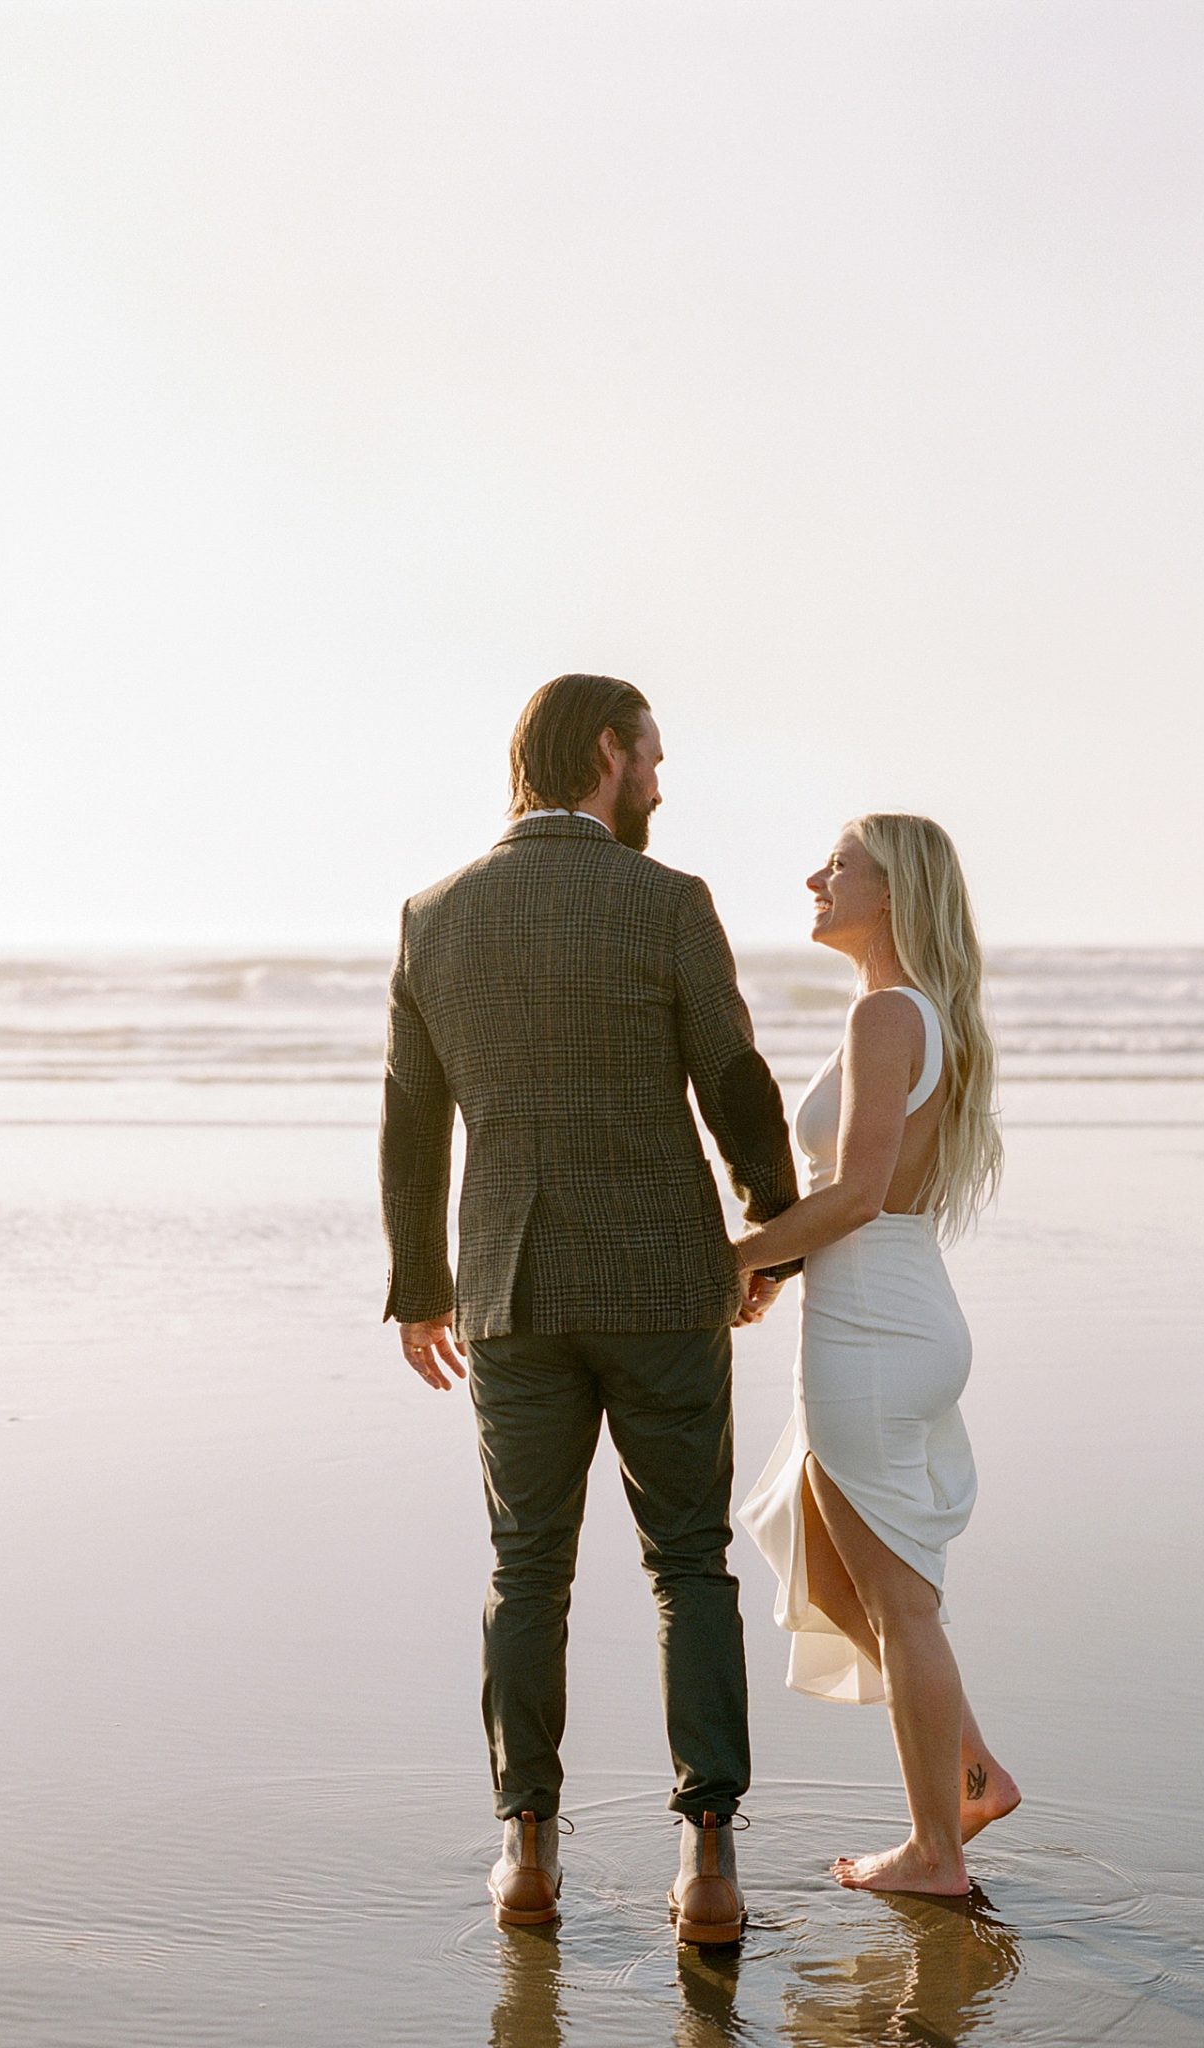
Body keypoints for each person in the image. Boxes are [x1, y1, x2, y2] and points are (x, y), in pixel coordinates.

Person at [379, 674, 800, 1945]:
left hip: (508, 1287)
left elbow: (411, 1119)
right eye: (654, 758)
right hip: (664, 1282)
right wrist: (768, 1227)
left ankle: (527, 1854)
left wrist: (418, 1286)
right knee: (688, 1562)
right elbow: (732, 1075)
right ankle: (708, 1862)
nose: (662, 783)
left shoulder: (434, 914)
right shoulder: (665, 902)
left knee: (526, 1568)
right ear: (605, 751)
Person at [737, 812, 1020, 1896]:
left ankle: (935, 1848)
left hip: (871, 1331)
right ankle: (971, 1770)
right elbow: (860, 1200)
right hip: (889, 1311)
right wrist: (776, 1261)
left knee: (901, 1602)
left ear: (892, 890)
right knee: (812, 1535)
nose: (815, 875)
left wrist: (737, 1258)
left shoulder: (885, 1016)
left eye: (839, 864)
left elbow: (852, 1196)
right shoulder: (912, 1013)